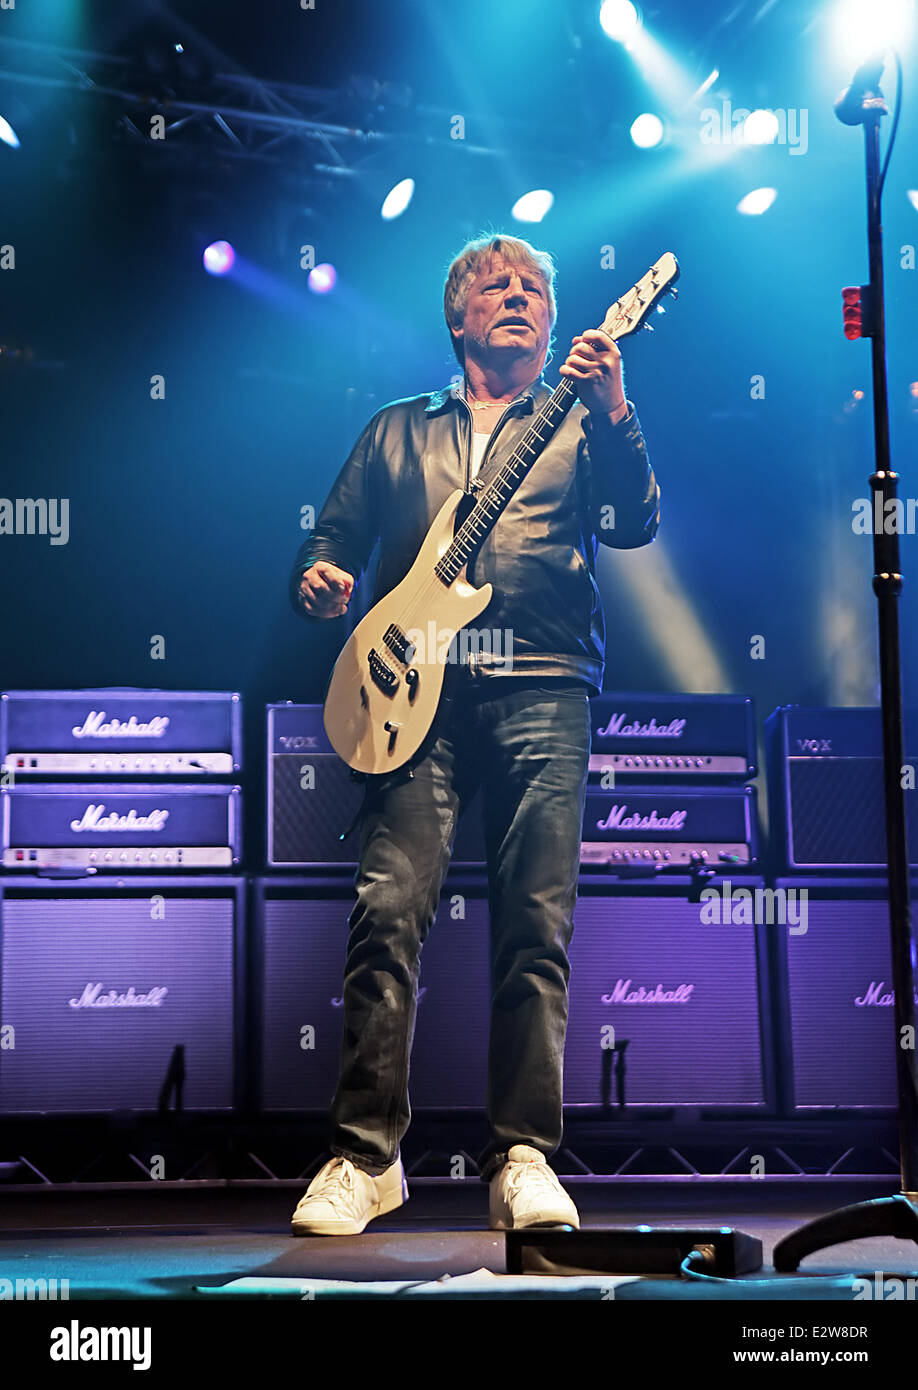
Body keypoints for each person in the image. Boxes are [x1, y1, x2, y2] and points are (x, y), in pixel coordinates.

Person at [287, 233, 660, 1235]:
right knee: (385, 912)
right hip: (414, 692)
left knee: (534, 926)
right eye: (495, 285)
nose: (517, 296)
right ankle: (365, 1157)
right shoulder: (396, 429)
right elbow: (331, 539)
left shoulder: (581, 422)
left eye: (535, 286)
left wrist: (616, 406)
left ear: (560, 321)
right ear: (458, 319)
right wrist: (318, 579)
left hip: (543, 682)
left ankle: (524, 1154)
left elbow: (633, 523)